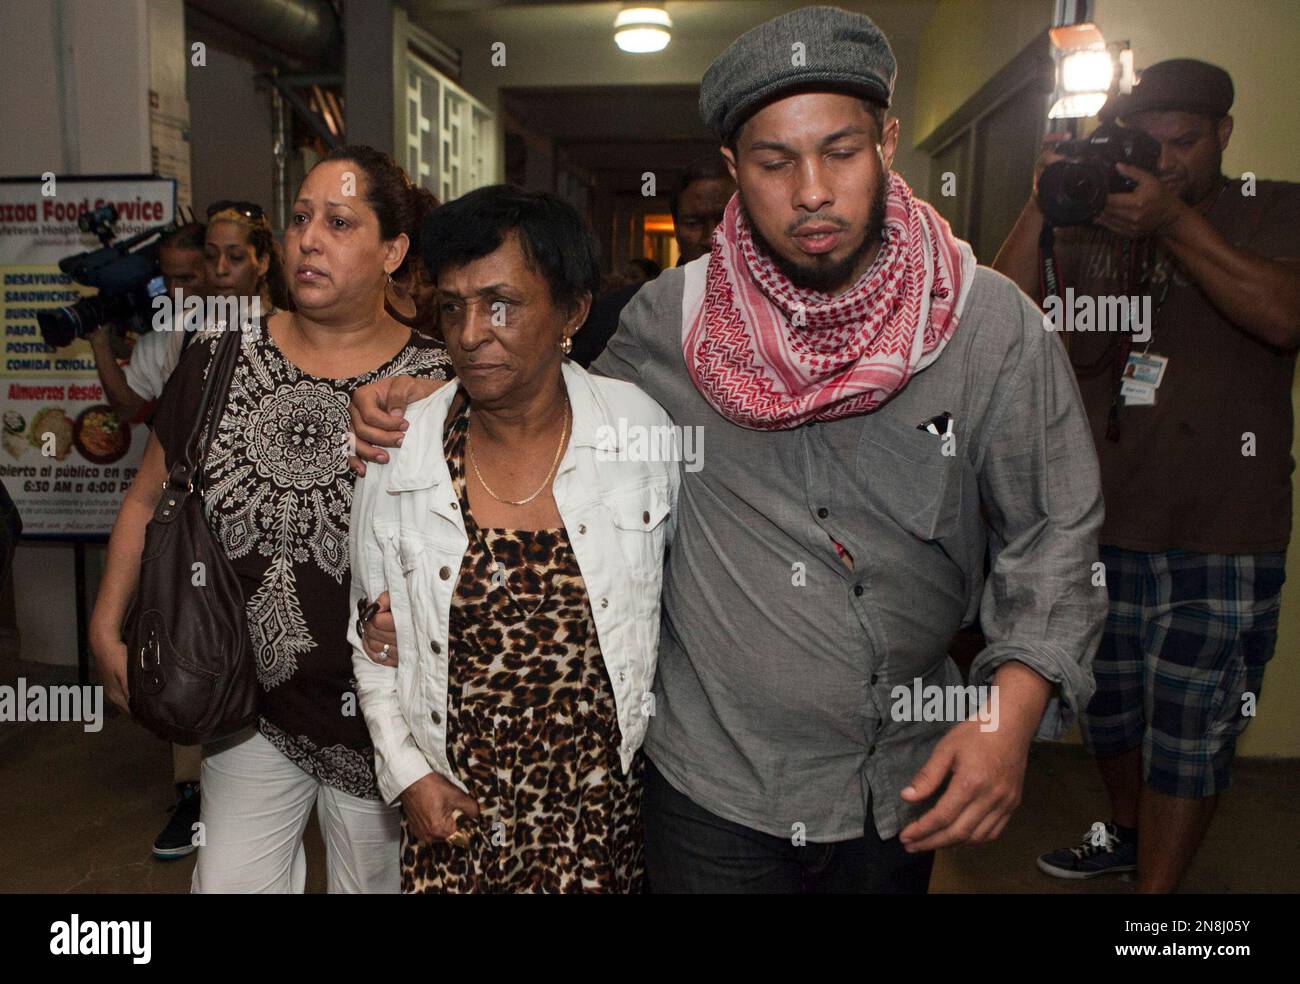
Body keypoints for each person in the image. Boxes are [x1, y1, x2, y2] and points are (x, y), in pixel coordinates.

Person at [349, 6, 1106, 894]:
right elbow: (542, 399)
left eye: (842, 150)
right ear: (733, 169)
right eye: (775, 161)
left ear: (890, 141)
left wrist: (1009, 718)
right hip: (709, 786)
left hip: (894, 778)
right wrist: (423, 397)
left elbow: (1055, 530)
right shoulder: (670, 324)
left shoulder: (988, 329)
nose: (812, 190)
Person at [89, 145, 451, 893]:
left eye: (341, 222)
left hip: (387, 717)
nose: (309, 239)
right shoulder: (220, 355)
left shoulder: (441, 381)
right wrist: (104, 623)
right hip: (244, 702)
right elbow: (146, 497)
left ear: (393, 250)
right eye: (300, 218)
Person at [992, 59, 1300, 892]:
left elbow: (1283, 313)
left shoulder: (1270, 207)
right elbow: (993, 323)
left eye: (1185, 142)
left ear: (1223, 135)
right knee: (1110, 711)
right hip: (1096, 527)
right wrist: (1044, 197)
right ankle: (1128, 833)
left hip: (1221, 530)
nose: (1164, 162)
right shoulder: (1091, 218)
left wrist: (1170, 222)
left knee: (1192, 729)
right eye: (1148, 144)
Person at [348, 185, 677, 893]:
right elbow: (372, 641)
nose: (470, 334)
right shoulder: (401, 456)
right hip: (455, 810)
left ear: (573, 312)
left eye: (501, 304)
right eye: (453, 306)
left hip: (598, 818)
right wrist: (408, 775)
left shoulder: (640, 436)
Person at [89, 221, 209, 425]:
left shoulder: (250, 327)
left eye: (186, 279)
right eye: (167, 279)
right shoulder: (157, 340)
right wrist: (99, 342)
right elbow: (126, 409)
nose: (173, 291)